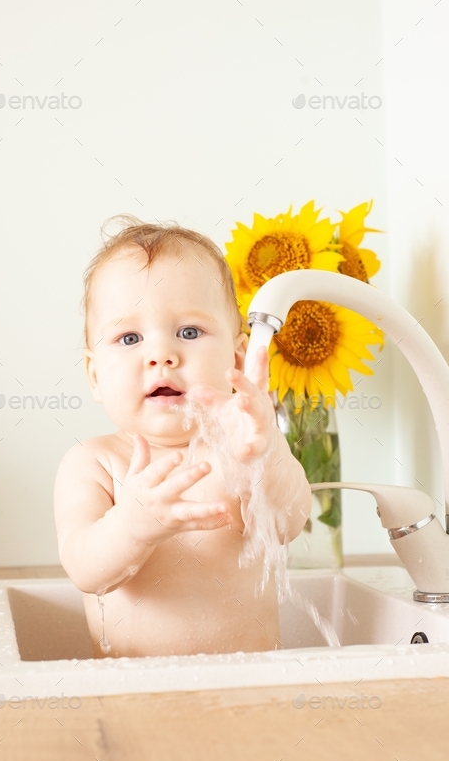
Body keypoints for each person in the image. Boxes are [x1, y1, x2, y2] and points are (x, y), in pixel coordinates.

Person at [54, 216, 311, 658]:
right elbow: (85, 570)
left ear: (236, 357)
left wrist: (264, 459)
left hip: (253, 688)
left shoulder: (248, 445)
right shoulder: (94, 464)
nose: (161, 356)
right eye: (129, 337)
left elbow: (288, 523)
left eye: (189, 332)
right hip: (134, 699)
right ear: (95, 375)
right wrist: (133, 525)